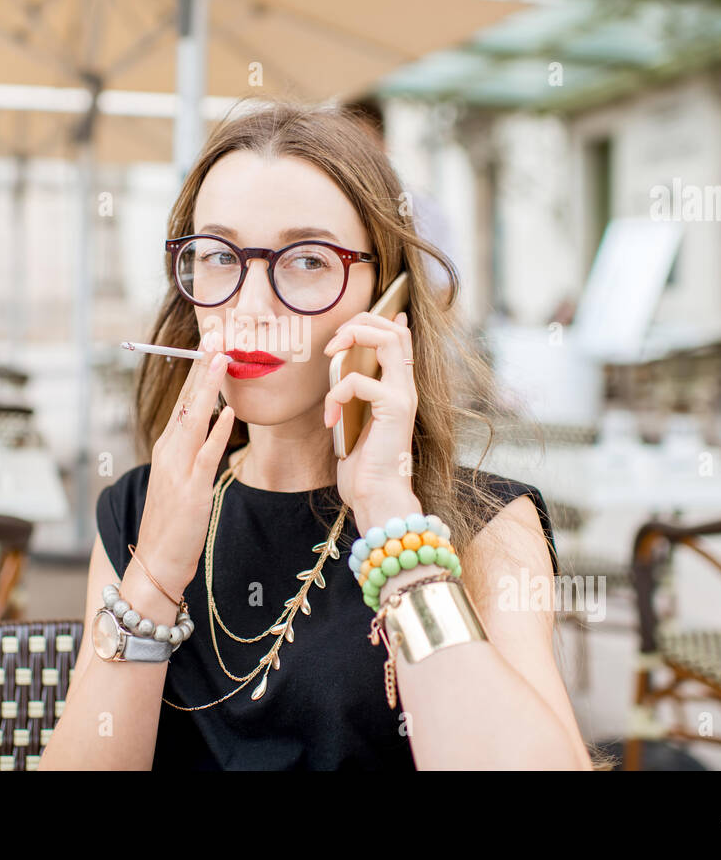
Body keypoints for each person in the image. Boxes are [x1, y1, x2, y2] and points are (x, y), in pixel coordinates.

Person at [41, 100, 596, 770]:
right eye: (218, 255)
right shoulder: (138, 508)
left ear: (385, 295)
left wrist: (393, 518)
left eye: (306, 261)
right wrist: (153, 577)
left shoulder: (488, 527)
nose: (248, 308)